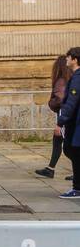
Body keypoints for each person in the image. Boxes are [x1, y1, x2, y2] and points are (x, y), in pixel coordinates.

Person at [38, 54, 72, 179]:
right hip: (68, 115)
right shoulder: (71, 79)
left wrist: (51, 102)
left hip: (64, 115)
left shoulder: (61, 81)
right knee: (59, 141)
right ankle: (50, 168)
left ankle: (75, 172)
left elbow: (60, 100)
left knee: (68, 146)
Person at [55, 47, 80, 199]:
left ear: (75, 59)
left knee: (72, 150)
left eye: (68, 57)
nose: (66, 60)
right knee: (72, 151)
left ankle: (77, 188)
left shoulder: (77, 78)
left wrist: (60, 122)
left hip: (76, 124)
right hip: (75, 123)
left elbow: (71, 102)